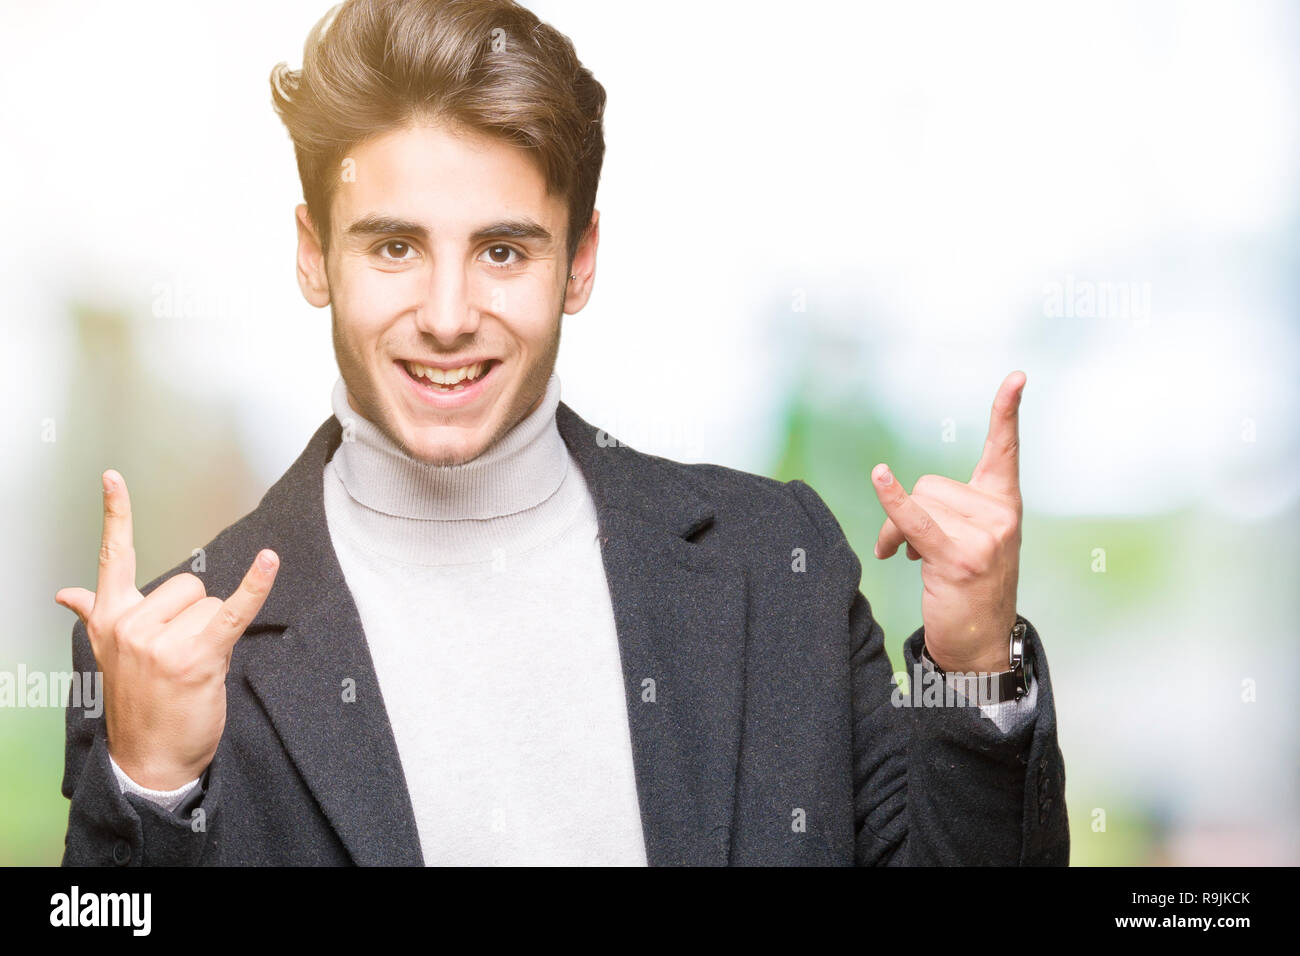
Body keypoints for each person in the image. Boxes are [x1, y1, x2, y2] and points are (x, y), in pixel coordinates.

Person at [55, 0, 1068, 866]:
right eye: (395, 246)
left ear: (579, 261)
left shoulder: (777, 566)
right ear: (314, 254)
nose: (447, 313)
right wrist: (149, 789)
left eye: (502, 249)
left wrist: (972, 661)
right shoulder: (161, 651)